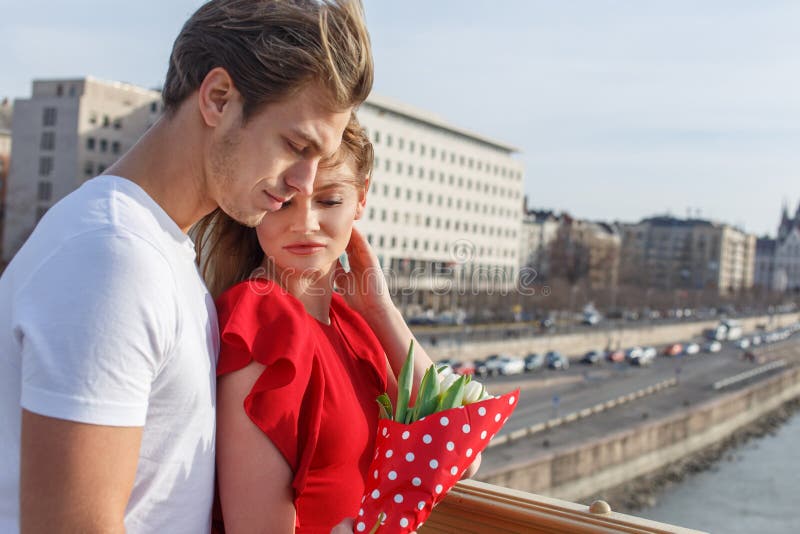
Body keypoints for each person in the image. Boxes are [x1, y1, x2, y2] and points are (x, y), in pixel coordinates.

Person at [0, 1, 372, 532]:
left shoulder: (155, 249)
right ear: (218, 98)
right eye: (295, 145)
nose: (305, 185)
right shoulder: (112, 256)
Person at [197, 118, 470, 533]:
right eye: (286, 201)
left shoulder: (355, 325)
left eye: (328, 201)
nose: (305, 223)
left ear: (361, 198)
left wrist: (381, 312)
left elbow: (458, 446)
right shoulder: (260, 320)